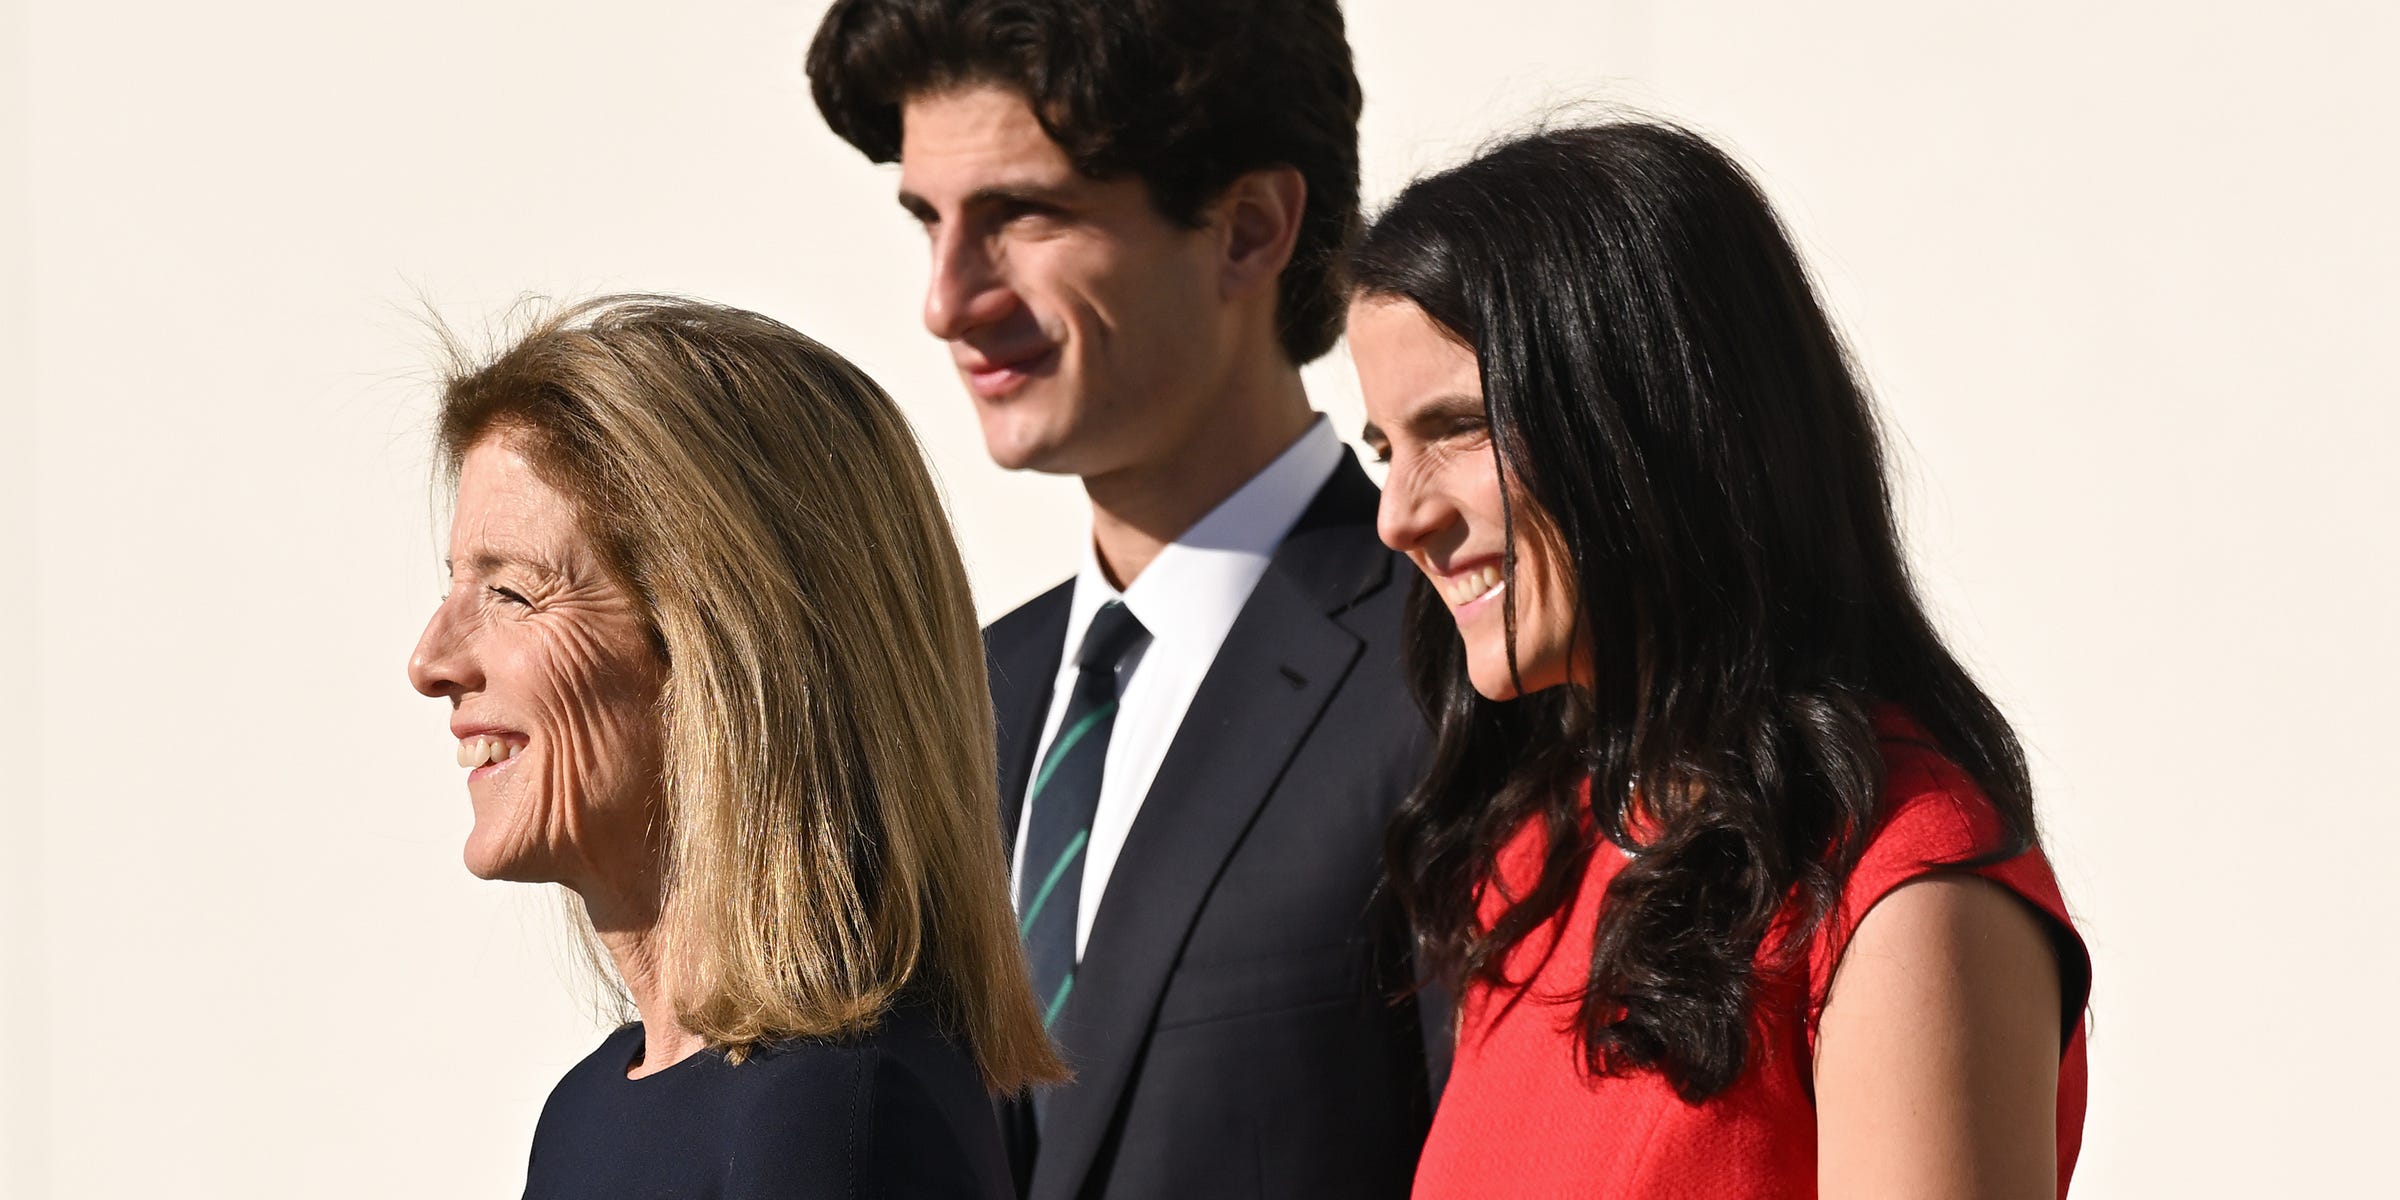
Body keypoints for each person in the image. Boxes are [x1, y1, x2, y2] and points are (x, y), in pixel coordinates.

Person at [1347, 122, 2092, 1198]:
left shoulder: (1902, 883)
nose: (1397, 517)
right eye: (1385, 447)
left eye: (1458, 427)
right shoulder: (1535, 854)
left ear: (1642, 415)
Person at [806, 3, 1443, 1197]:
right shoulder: (949, 703)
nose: (947, 300)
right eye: (930, 222)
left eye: (1024, 215)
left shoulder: (1452, 669)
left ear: (1250, 231)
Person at [405, 296, 1063, 1198]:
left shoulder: (834, 1124)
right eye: (453, 586)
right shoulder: (593, 1112)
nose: (430, 663)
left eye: (512, 593)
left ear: (725, 653)